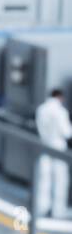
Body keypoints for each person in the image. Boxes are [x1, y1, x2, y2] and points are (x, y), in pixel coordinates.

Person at [35, 89, 72, 220]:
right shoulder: (61, 112)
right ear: (60, 98)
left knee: (44, 178)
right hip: (58, 147)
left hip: (44, 145)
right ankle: (58, 210)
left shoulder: (41, 109)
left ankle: (41, 207)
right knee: (60, 179)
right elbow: (67, 132)